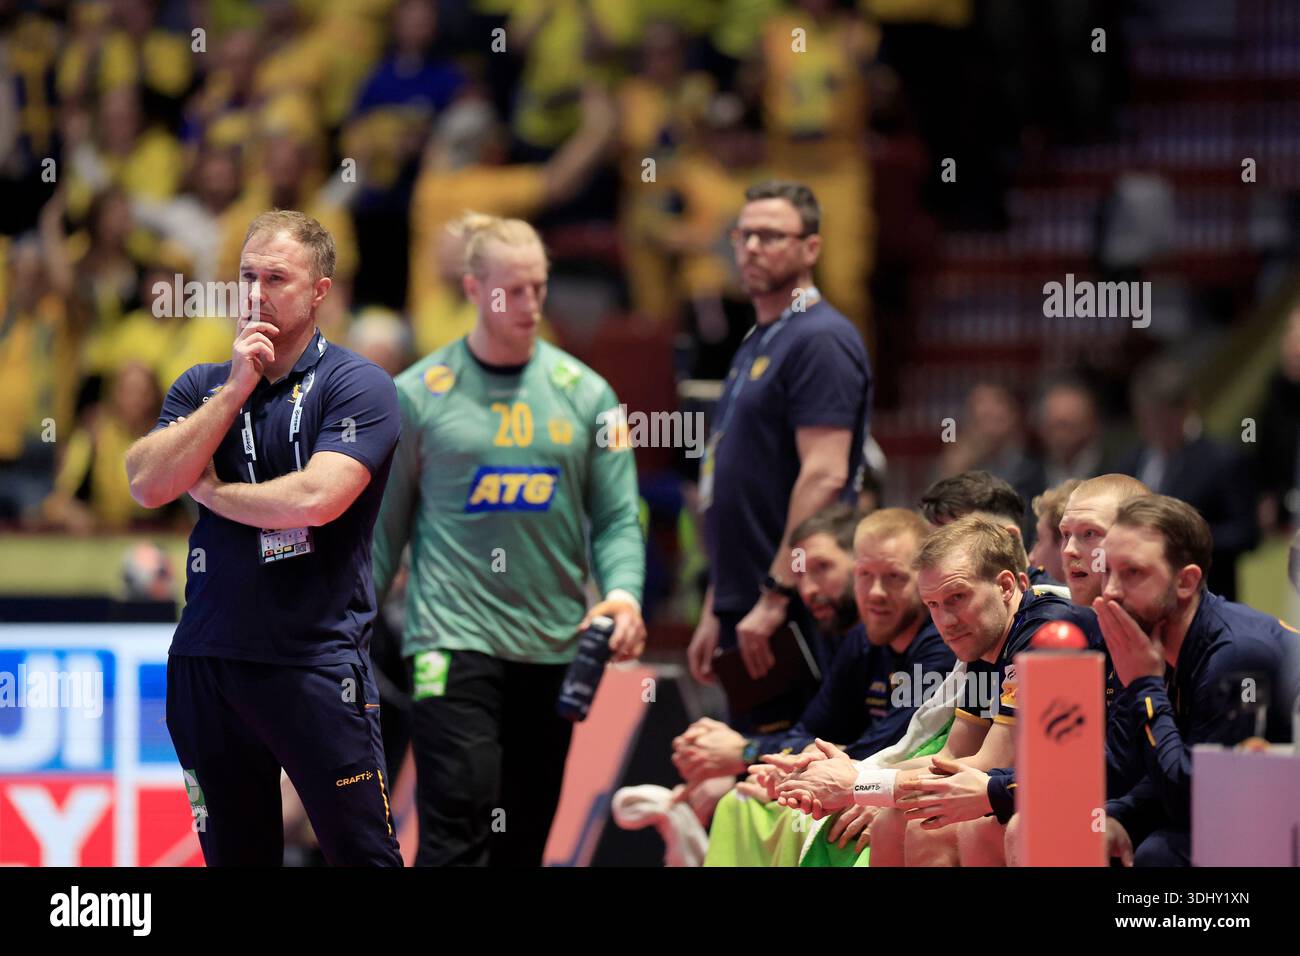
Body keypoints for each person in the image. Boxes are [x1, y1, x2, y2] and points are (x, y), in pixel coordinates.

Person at [124, 210, 403, 866]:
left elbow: (317, 499)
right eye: (247, 276)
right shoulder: (201, 386)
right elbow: (146, 482)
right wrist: (234, 391)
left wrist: (216, 494)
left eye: (276, 278)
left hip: (314, 665)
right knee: (236, 858)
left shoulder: (357, 384)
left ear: (318, 292)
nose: (255, 293)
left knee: (364, 855)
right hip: (208, 662)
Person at [372, 212, 647, 867]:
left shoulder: (589, 395)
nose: (529, 304)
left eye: (539, 288)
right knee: (456, 828)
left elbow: (616, 520)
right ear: (473, 290)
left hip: (551, 645)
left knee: (522, 840)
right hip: (449, 640)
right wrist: (346, 631)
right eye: (512, 291)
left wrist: (625, 595)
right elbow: (383, 533)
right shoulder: (416, 395)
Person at [765, 516, 1104, 867]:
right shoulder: (984, 638)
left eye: (957, 597)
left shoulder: (1046, 630)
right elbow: (954, 754)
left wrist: (859, 785)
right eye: (933, 605)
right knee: (894, 821)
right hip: (1020, 788)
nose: (946, 621)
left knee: (944, 826)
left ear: (1005, 586)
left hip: (1094, 792)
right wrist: (851, 770)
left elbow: (988, 766)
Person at [687, 180, 873, 733]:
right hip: (743, 601)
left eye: (770, 236)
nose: (750, 248)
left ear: (810, 248)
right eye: (742, 235)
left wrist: (774, 594)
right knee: (751, 775)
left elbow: (825, 472)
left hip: (791, 603)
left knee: (793, 775)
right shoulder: (756, 339)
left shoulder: (820, 338)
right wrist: (714, 606)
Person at [1097, 495, 1300, 866]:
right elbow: (1134, 764)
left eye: (1133, 573)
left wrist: (1144, 685)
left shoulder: (1238, 657)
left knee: (1161, 854)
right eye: (1107, 571)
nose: (1109, 590)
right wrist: (1117, 815)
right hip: (1249, 806)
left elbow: (1197, 803)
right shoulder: (1152, 634)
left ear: (1186, 582)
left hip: (1277, 817)